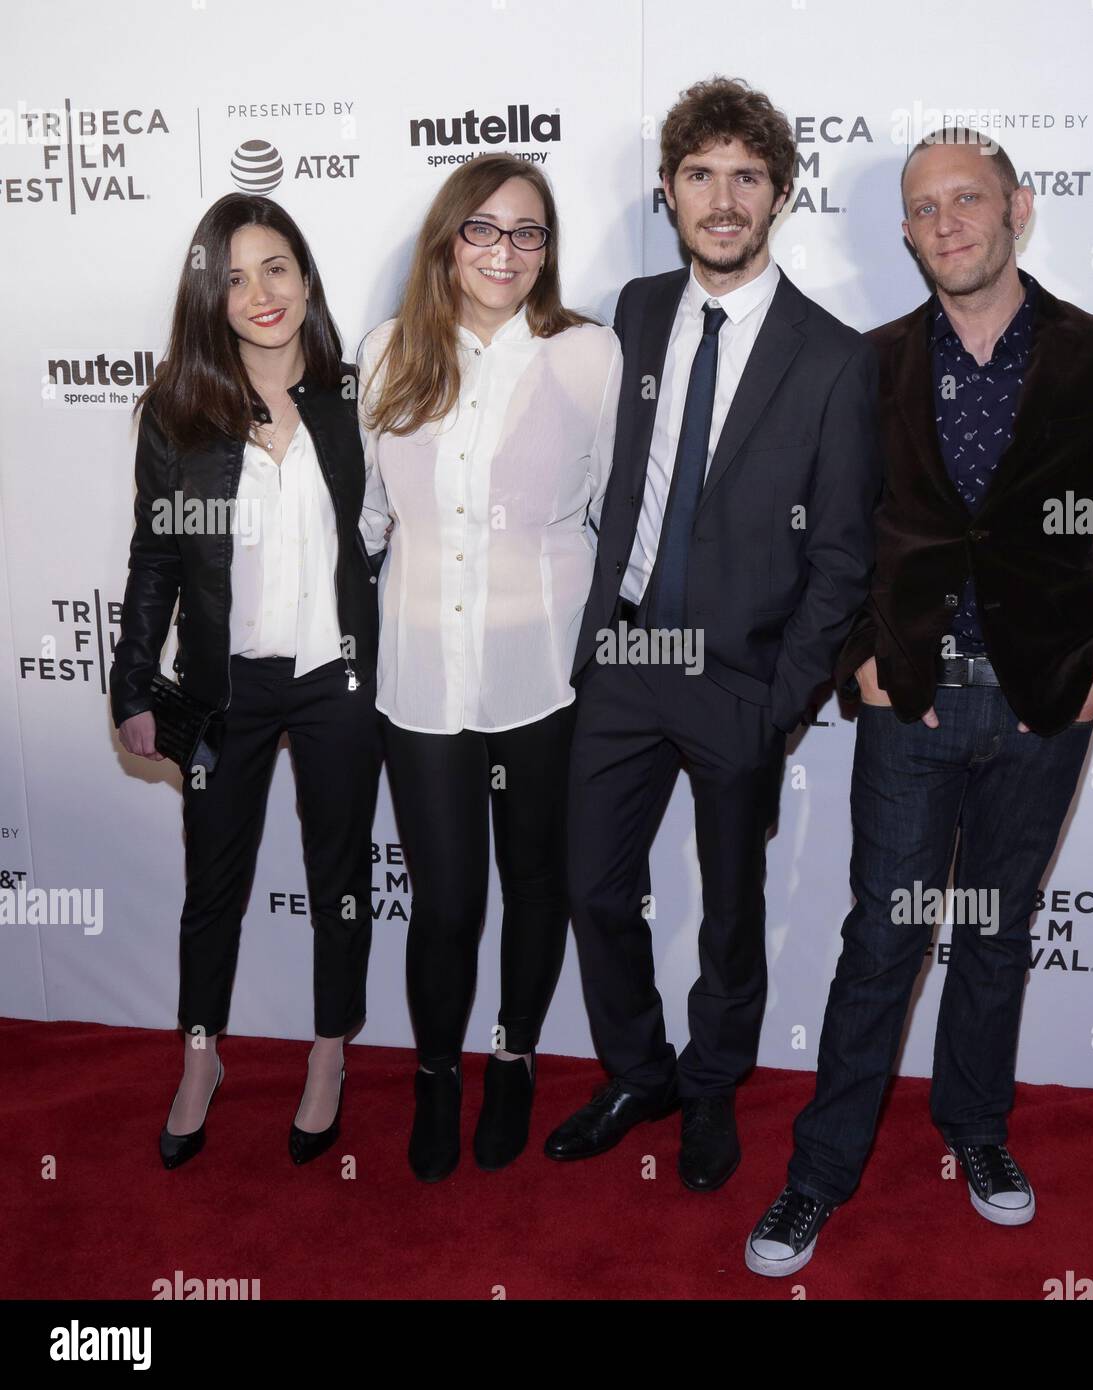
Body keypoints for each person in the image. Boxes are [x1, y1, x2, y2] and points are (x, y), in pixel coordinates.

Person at [746, 127, 1093, 1276]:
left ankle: (977, 1134)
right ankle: (818, 1174)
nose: (946, 222)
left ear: (1017, 208)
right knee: (880, 940)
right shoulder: (874, 360)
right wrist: (858, 659)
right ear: (904, 232)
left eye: (966, 199)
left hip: (1045, 707)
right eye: (923, 208)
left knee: (995, 939)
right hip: (911, 704)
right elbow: (838, 535)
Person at [544, 78, 880, 1192]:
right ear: (669, 190)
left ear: (780, 193)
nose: (722, 198)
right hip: (626, 660)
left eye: (745, 176)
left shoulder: (834, 356)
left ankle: (712, 1084)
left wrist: (781, 695)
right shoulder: (634, 313)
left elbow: (841, 554)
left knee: (731, 914)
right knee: (592, 887)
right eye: (700, 175)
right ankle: (639, 1071)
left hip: (740, 678)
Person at [110, 192, 389, 1170]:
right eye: (231, 276)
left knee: (338, 880)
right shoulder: (180, 412)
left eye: (274, 267)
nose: (258, 292)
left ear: (306, 276)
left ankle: (328, 1055)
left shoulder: (360, 397)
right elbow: (155, 560)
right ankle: (200, 1058)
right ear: (208, 297)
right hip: (221, 685)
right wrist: (134, 683)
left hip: (337, 679)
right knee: (210, 888)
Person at [357, 154, 620, 1181]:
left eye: (528, 233)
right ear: (446, 239)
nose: (504, 252)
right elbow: (371, 523)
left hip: (542, 678)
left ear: (547, 251)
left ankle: (511, 1058)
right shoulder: (385, 354)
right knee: (448, 902)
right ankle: (435, 1074)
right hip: (421, 682)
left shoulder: (589, 355)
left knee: (535, 882)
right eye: (482, 229)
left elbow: (615, 512)